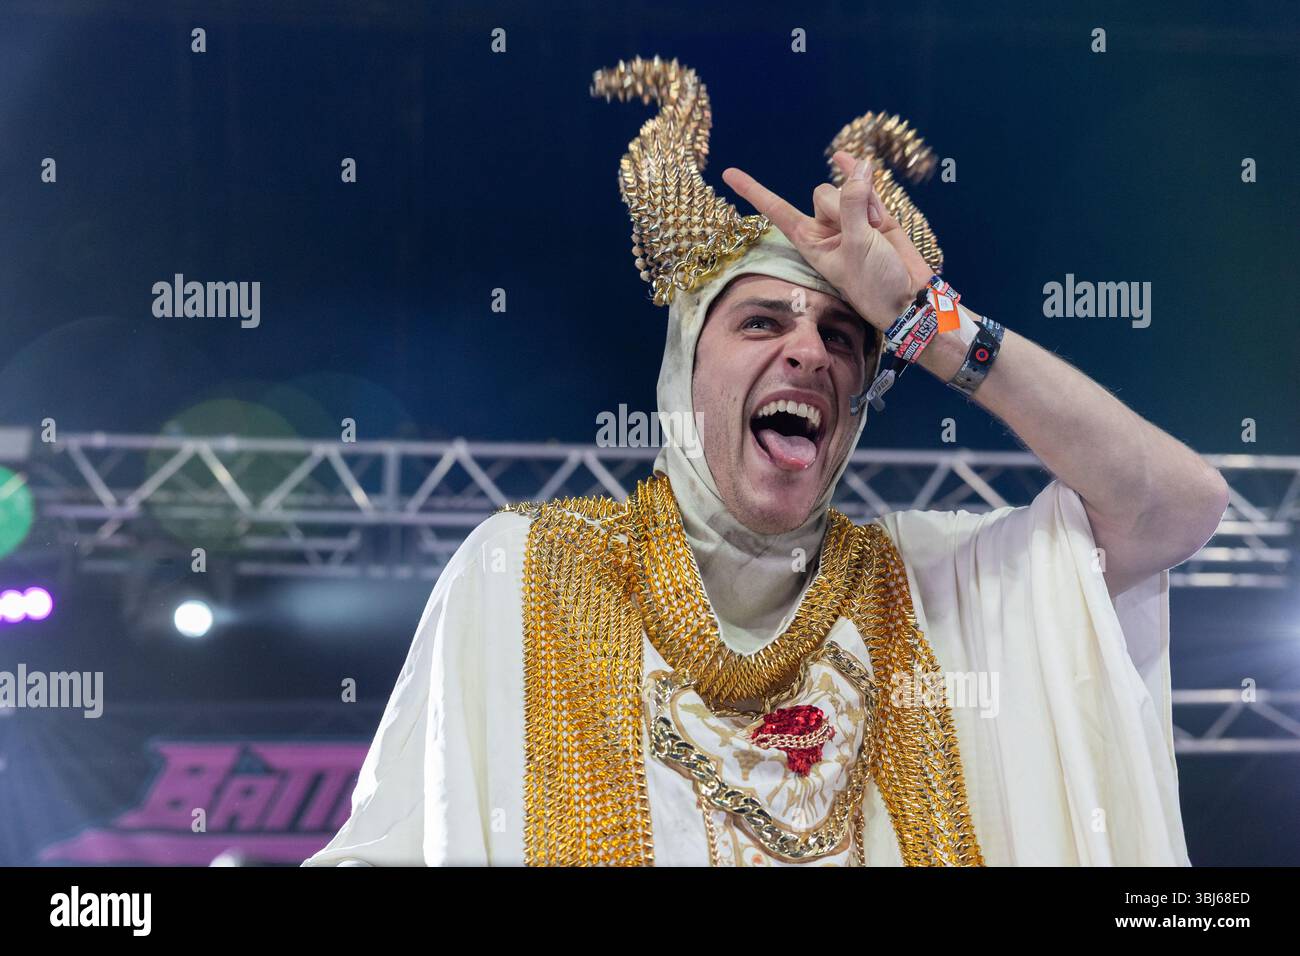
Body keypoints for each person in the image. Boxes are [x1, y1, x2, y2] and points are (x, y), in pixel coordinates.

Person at [303, 56, 1226, 867]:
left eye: (841, 337)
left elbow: (1174, 508)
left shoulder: (928, 588)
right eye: (760, 322)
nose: (809, 354)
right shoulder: (527, 575)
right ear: (682, 374)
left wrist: (931, 326)